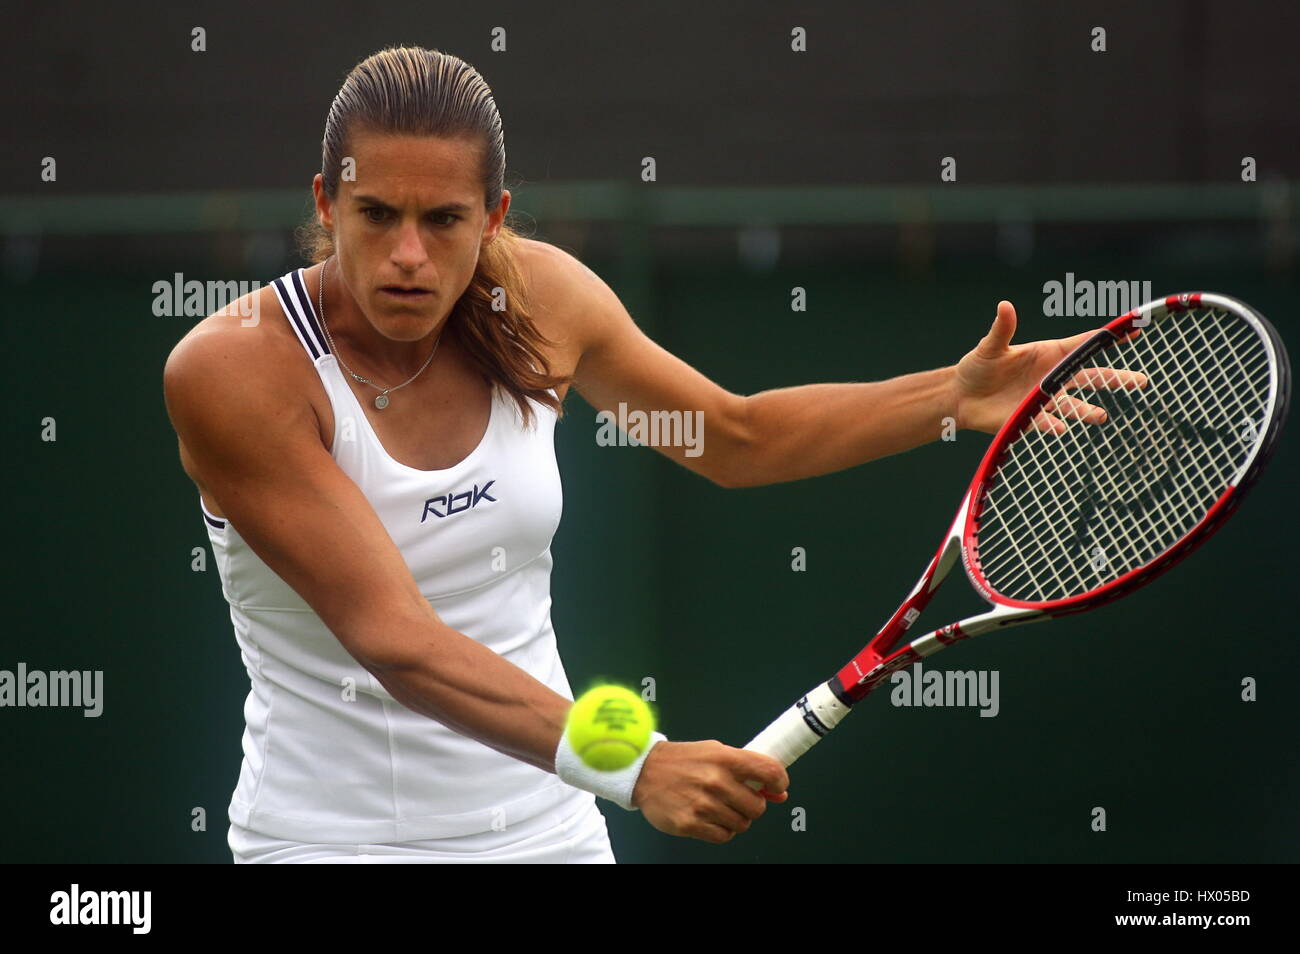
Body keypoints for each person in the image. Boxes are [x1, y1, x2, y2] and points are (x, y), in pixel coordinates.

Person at [163, 47, 1115, 863]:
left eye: (444, 220)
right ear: (327, 204)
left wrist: (948, 398)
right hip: (333, 842)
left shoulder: (542, 305)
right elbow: (396, 640)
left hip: (549, 830)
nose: (408, 254)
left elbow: (729, 441)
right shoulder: (236, 371)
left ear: (494, 217)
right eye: (377, 214)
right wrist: (640, 763)